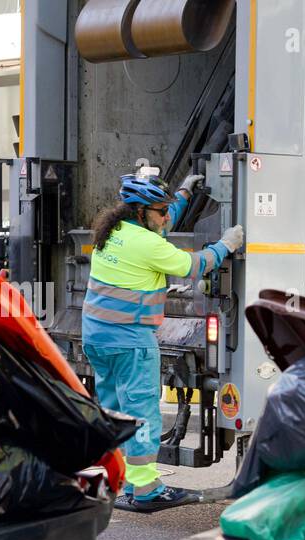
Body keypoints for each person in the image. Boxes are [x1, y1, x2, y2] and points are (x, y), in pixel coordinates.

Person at [83, 172, 244, 512]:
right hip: (131, 340)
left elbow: (162, 227)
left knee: (113, 410)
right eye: (160, 211)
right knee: (141, 413)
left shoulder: (114, 233)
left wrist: (183, 192)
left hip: (97, 337)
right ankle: (145, 492)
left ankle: (114, 479)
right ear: (142, 212)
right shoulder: (148, 244)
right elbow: (193, 266)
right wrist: (226, 245)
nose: (166, 216)